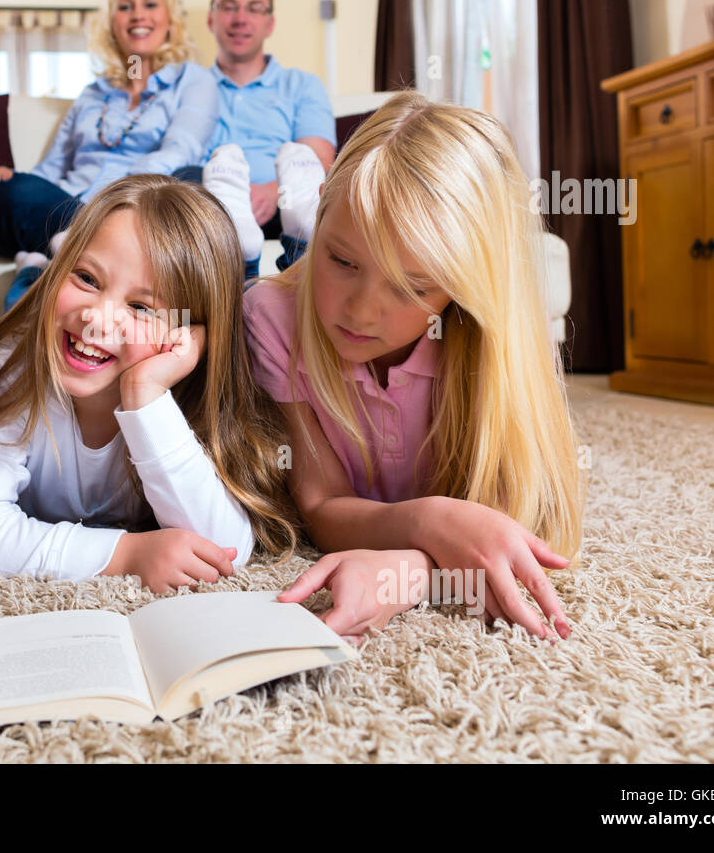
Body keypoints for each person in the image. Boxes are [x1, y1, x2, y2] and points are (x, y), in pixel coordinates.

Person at [246, 92, 583, 642]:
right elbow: (321, 504)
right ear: (320, 213)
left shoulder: (489, 341)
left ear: (465, 285)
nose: (360, 310)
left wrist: (413, 571)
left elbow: (521, 521)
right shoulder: (272, 316)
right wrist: (428, 524)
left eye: (411, 287)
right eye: (342, 260)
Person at [0, 174, 301, 590]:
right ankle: (33, 271)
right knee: (22, 309)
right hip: (34, 329)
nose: (97, 317)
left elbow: (225, 550)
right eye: (87, 278)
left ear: (187, 335)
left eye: (140, 307)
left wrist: (146, 394)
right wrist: (127, 553)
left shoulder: (184, 400)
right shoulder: (13, 367)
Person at [0, 0, 219, 280]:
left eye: (150, 4)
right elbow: (51, 169)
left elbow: (181, 150)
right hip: (59, 209)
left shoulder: (193, 80)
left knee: (189, 177)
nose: (138, 15)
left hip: (126, 211)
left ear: (170, 19)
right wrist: (13, 178)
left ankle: (55, 256)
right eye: (125, 6)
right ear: (112, 22)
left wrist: (105, 201)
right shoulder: (92, 94)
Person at [173, 0, 338, 276]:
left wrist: (274, 192)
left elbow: (319, 157)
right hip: (203, 204)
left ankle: (293, 240)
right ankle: (233, 224)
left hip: (281, 204)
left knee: (305, 184)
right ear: (211, 18)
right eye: (229, 7)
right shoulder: (188, 88)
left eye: (254, 8)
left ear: (270, 23)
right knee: (185, 176)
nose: (240, 19)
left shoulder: (302, 85)